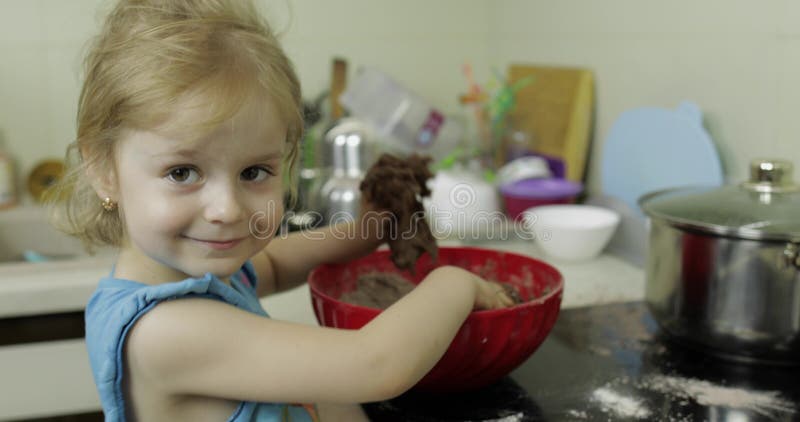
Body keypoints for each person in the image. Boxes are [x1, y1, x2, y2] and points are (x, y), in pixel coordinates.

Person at [48, 0, 517, 420]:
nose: (227, 209)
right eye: (182, 172)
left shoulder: (193, 276)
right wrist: (452, 282)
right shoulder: (166, 331)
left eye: (253, 172)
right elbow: (376, 364)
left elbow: (272, 262)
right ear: (104, 169)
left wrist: (363, 231)